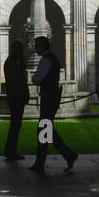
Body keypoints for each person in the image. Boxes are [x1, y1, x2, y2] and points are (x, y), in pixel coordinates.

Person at [28, 36, 78, 175]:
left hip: (48, 98)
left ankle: (42, 162)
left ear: (43, 46)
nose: (35, 48)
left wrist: (36, 78)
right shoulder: (53, 58)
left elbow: (36, 79)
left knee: (43, 129)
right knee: (47, 129)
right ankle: (66, 155)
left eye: (37, 45)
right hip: (52, 97)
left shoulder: (46, 60)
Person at [3, 39, 29, 161]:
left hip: (15, 97)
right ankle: (10, 151)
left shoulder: (13, 61)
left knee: (16, 125)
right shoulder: (12, 62)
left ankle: (10, 150)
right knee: (15, 124)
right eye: (21, 48)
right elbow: (18, 81)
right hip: (16, 97)